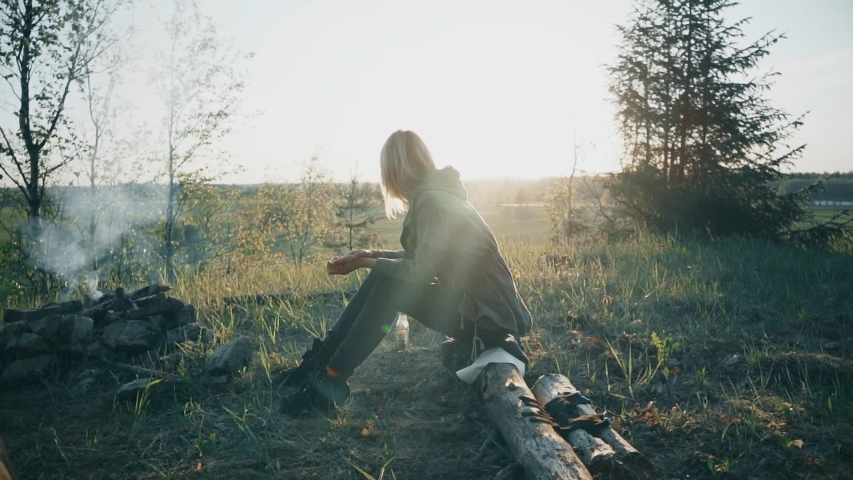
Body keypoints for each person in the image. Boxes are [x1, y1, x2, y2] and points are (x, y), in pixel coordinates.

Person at [277, 130, 532, 413]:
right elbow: (425, 258)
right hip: (475, 309)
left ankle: (332, 380)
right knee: (384, 275)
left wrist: (367, 262)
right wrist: (369, 255)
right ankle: (321, 363)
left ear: (395, 170)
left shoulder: (433, 201)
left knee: (392, 285)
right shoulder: (436, 194)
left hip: (487, 319)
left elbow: (420, 271)